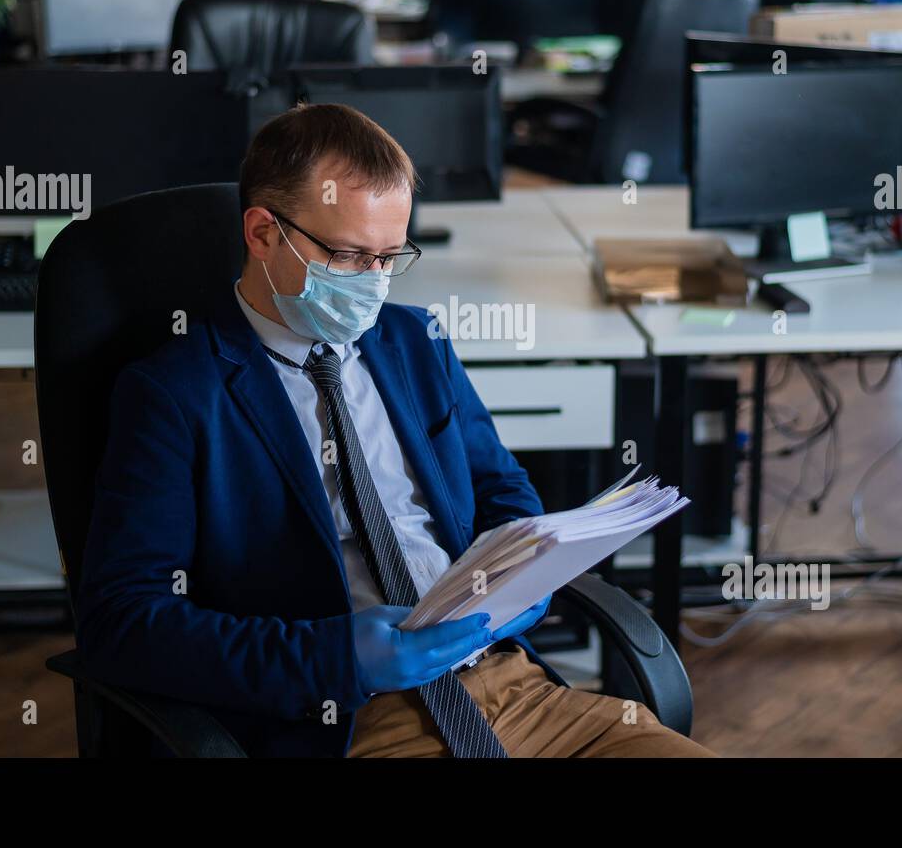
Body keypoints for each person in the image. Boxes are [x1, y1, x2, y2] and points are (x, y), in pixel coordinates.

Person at [76, 103, 713, 758]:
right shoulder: (176, 393)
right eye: (349, 256)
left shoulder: (415, 341)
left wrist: (528, 580)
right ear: (263, 233)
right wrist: (335, 657)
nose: (374, 284)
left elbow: (501, 486)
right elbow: (123, 622)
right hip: (346, 722)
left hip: (516, 691)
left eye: (389, 256)